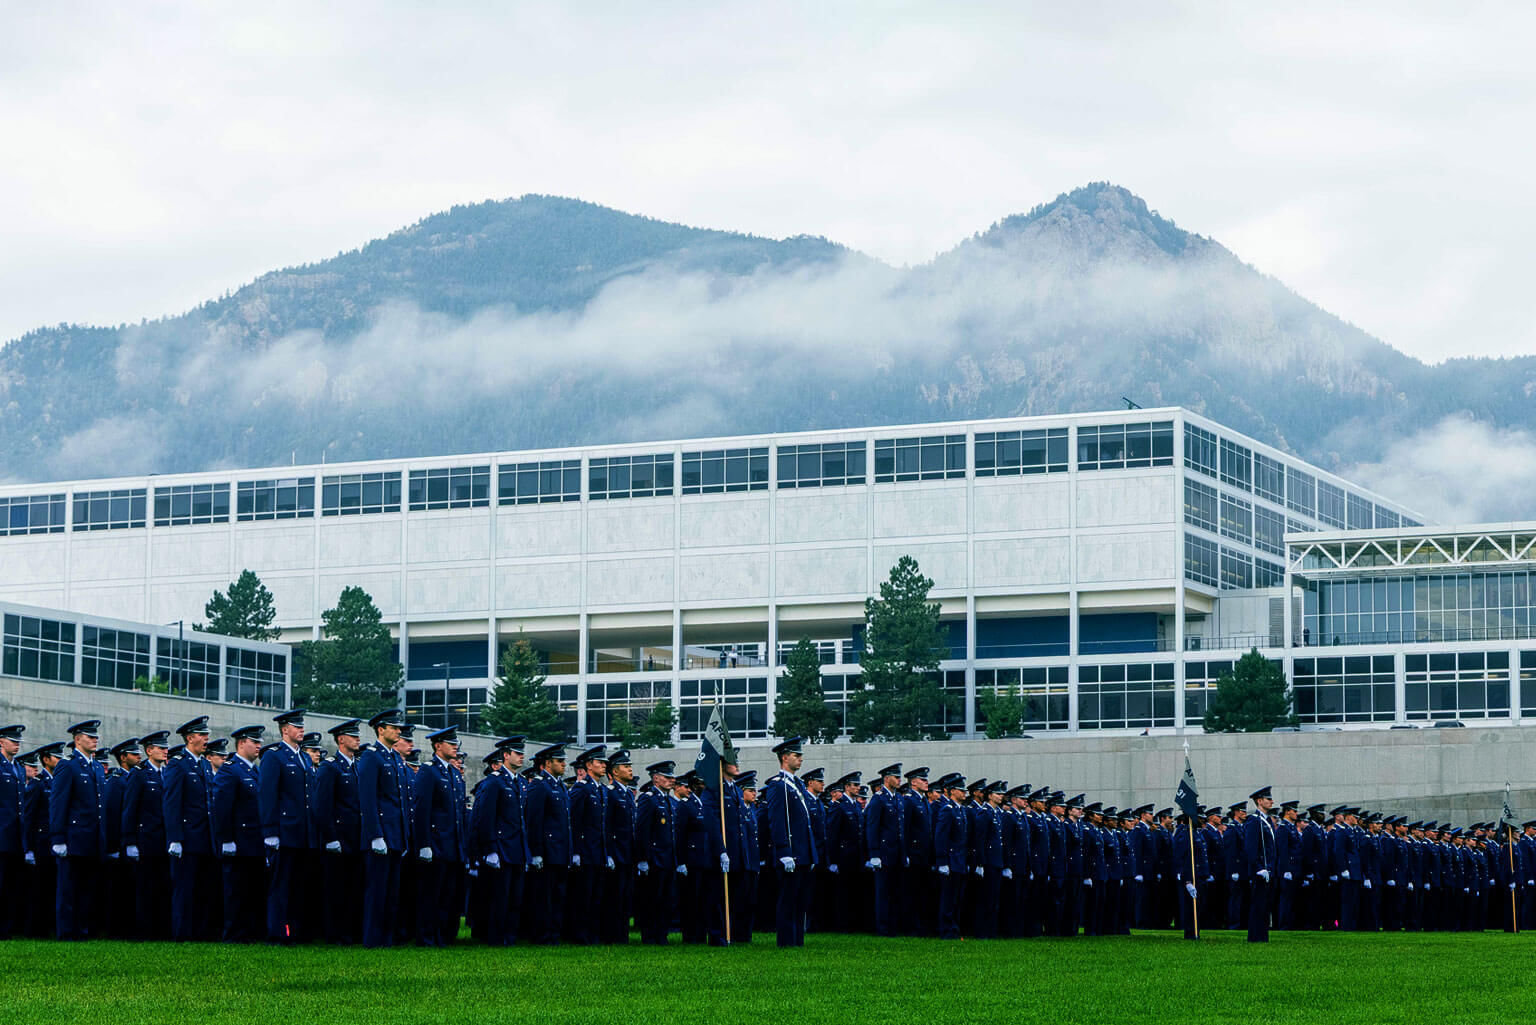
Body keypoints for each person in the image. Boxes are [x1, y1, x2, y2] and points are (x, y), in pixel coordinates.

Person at [260, 708, 318, 944]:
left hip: (302, 833)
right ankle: (277, 933)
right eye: (297, 726)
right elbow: (267, 795)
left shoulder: (303, 757)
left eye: (302, 725)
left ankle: (295, 931)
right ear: (285, 730)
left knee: (298, 887)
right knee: (280, 887)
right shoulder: (274, 756)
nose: (301, 729)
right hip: (284, 832)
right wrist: (270, 831)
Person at [357, 709, 411, 948]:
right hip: (380, 835)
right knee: (377, 891)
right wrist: (375, 835)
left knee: (392, 892)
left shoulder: (394, 758)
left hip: (395, 834)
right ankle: (372, 939)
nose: (399, 731)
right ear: (381, 729)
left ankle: (386, 939)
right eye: (394, 727)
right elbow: (367, 799)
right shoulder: (371, 756)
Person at [50, 720, 107, 941]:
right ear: (77, 739)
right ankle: (66, 933)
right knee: (68, 890)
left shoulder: (94, 767)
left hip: (92, 838)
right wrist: (58, 837)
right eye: (90, 736)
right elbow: (58, 802)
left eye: (96, 737)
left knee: (88, 890)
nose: (95, 740)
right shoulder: (68, 765)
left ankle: (84, 931)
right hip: (74, 838)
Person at [471, 736, 530, 946]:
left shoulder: (521, 783)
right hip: (501, 848)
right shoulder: (494, 781)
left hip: (518, 849)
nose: (522, 756)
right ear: (506, 755)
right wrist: (489, 848)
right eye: (517, 753)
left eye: (522, 752)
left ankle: (510, 937)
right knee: (499, 898)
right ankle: (495, 937)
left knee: (515, 898)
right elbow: (485, 817)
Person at [412, 725, 467, 946]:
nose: (455, 747)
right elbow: (421, 809)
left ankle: (443, 935)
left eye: (456, 744)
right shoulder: (428, 770)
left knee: (448, 894)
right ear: (438, 746)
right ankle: (426, 936)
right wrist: (423, 843)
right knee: (431, 894)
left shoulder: (453, 772)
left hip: (452, 844)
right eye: (451, 743)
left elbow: (458, 813)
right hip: (436, 842)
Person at [760, 736, 816, 946]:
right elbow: (777, 820)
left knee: (800, 901)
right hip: (790, 852)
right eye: (796, 755)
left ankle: (797, 940)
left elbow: (805, 823)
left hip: (802, 851)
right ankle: (786, 941)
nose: (800, 759)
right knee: (788, 900)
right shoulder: (778, 785)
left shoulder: (797, 784)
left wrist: (810, 852)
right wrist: (783, 851)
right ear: (785, 758)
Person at [213, 724, 265, 943]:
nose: (258, 746)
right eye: (255, 742)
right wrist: (226, 839)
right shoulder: (230, 769)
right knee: (236, 892)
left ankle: (251, 933)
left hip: (255, 841)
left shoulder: (254, 770)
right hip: (238, 841)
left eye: (259, 742)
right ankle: (234, 935)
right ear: (242, 743)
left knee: (253, 890)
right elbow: (221, 808)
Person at [315, 719, 364, 945]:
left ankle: (351, 932)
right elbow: (322, 806)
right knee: (336, 889)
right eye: (352, 736)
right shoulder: (330, 766)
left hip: (356, 838)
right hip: (339, 838)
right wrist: (330, 838)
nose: (357, 738)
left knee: (353, 888)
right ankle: (335, 934)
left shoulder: (356, 766)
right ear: (340, 739)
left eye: (357, 735)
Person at [120, 730, 171, 939]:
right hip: (146, 840)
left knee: (162, 888)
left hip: (163, 841)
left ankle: (161, 930)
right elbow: (129, 809)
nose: (165, 751)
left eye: (166, 747)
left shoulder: (166, 773)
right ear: (149, 751)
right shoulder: (139, 774)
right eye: (160, 748)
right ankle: (144, 931)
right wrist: (130, 840)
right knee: (146, 889)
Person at [524, 742, 572, 945]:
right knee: (544, 897)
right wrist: (536, 852)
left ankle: (553, 933)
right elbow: (534, 821)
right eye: (559, 761)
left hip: (560, 850)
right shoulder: (539, 785)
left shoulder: (559, 785)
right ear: (547, 763)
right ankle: (541, 935)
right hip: (547, 851)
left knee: (558, 895)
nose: (564, 764)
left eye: (563, 760)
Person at [567, 745, 610, 945]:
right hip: (584, 851)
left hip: (598, 851)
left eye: (604, 763)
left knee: (597, 896)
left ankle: (594, 933)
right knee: (583, 896)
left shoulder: (601, 789)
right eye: (600, 762)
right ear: (588, 765)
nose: (604, 766)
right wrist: (575, 851)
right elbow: (574, 821)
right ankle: (580, 934)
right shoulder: (581, 788)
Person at [634, 759, 677, 944]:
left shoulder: (667, 800)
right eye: (667, 777)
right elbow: (642, 830)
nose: (671, 780)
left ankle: (662, 934)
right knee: (652, 899)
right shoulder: (649, 798)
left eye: (672, 777)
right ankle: (649, 935)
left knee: (666, 900)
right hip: (654, 858)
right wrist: (642, 858)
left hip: (668, 858)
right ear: (656, 779)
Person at [863, 763, 906, 937]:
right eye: (896, 777)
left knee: (895, 892)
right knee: (883, 893)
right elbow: (872, 827)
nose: (899, 780)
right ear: (886, 779)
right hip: (884, 853)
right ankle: (882, 928)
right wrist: (874, 853)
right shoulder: (878, 799)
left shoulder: (898, 798)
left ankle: (893, 927)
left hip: (896, 853)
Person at [603, 749, 637, 944]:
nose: (630, 769)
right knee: (614, 896)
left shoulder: (628, 795)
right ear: (615, 772)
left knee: (625, 896)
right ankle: (612, 935)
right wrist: (608, 853)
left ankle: (622, 934)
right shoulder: (611, 793)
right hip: (616, 853)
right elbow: (606, 825)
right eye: (626, 766)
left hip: (628, 853)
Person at [933, 772, 969, 939]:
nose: (965, 793)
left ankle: (954, 929)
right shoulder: (947, 810)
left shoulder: (960, 810)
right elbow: (941, 837)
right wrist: (942, 861)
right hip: (951, 861)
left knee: (957, 899)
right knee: (948, 899)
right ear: (953, 791)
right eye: (961, 790)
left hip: (960, 861)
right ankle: (946, 930)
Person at [0, 723, 26, 940]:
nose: (17, 745)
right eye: (13, 741)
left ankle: (7, 929)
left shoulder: (17, 767)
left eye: (18, 742)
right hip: (1, 833)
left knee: (10, 885)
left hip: (15, 835)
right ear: (1, 742)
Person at [1245, 786, 1277, 942]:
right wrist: (1258, 868)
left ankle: (1263, 936)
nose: (1271, 801)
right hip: (1260, 871)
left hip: (1269, 870)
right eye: (1268, 799)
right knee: (1258, 905)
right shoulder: (1254, 820)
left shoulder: (1267, 820)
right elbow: (1250, 848)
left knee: (1265, 905)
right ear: (1259, 801)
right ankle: (1255, 936)